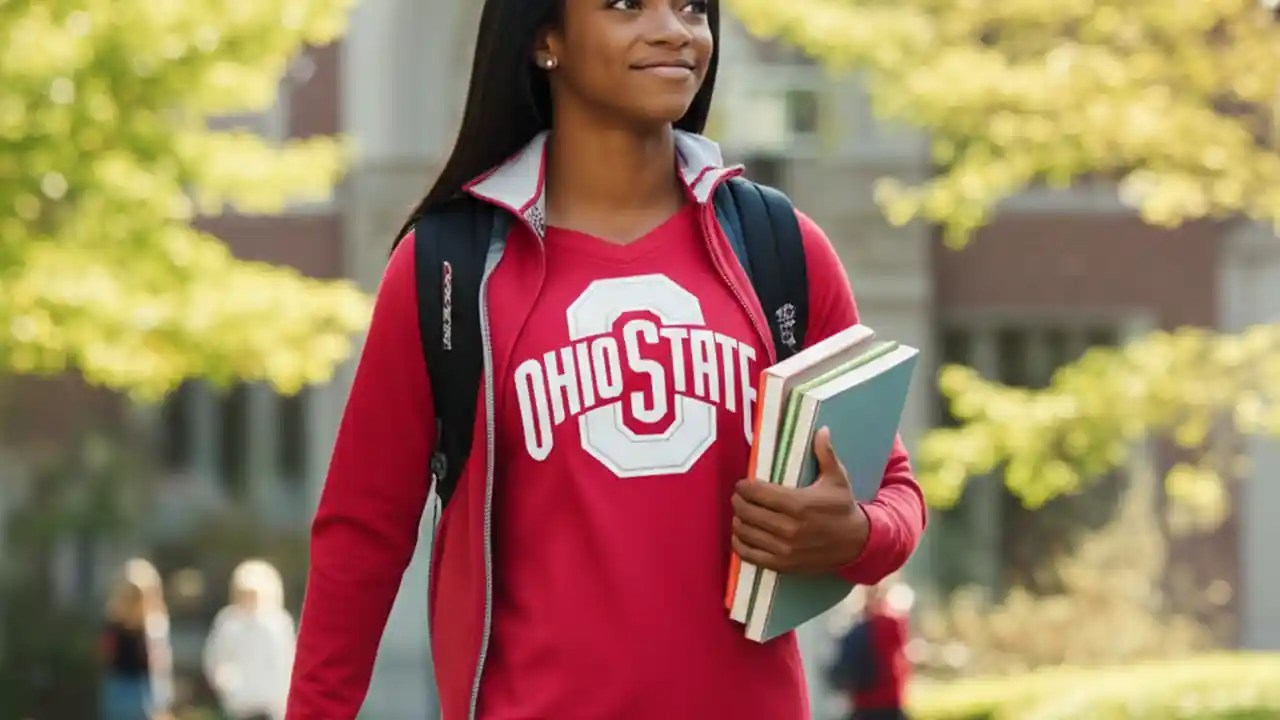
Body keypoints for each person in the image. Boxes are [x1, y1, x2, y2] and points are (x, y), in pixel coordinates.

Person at [287, 1, 928, 718]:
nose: (674, 29)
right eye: (627, 5)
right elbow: (361, 538)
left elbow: (895, 492)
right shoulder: (446, 270)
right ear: (546, 38)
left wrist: (853, 534)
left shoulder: (781, 247)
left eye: (692, 7)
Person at [203, 559, 296, 720]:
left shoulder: (278, 623)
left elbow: (286, 662)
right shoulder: (229, 621)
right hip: (239, 705)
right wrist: (226, 683)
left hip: (271, 705)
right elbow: (215, 658)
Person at [99, 559, 173, 720]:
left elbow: (160, 665)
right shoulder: (114, 623)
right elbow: (106, 656)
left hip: (144, 688)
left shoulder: (155, 625)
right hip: (121, 687)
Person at [830, 580, 914, 720]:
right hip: (892, 702)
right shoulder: (895, 626)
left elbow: (844, 670)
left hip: (865, 705)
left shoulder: (857, 632)